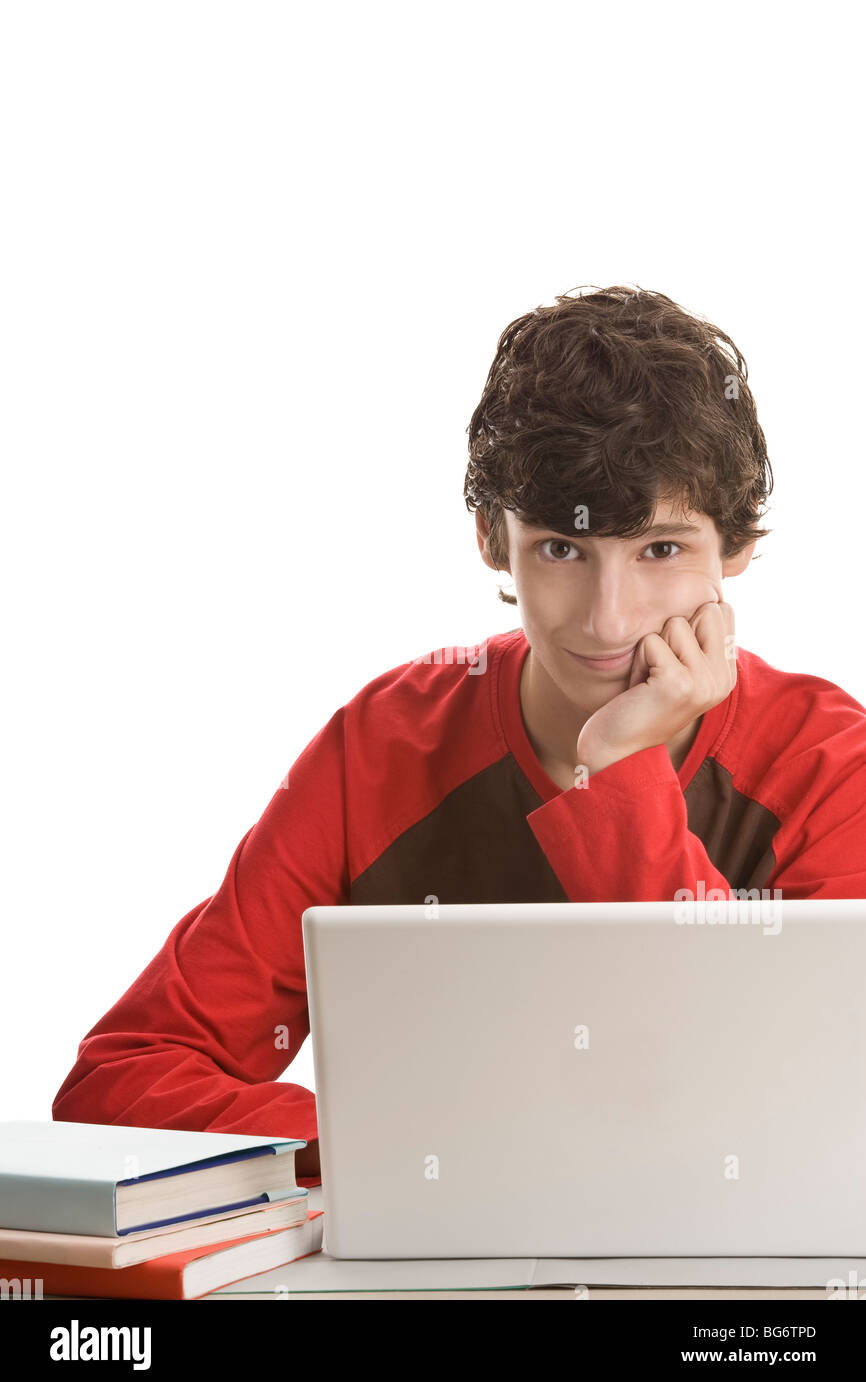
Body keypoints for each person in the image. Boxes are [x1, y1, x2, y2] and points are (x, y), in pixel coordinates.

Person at [52, 285, 866, 1185]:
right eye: (562, 548)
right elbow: (121, 1081)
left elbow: (801, 1114)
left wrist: (623, 767)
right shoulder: (381, 747)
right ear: (492, 538)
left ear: (737, 546)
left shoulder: (833, 767)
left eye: (661, 551)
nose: (608, 619)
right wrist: (414, 1143)